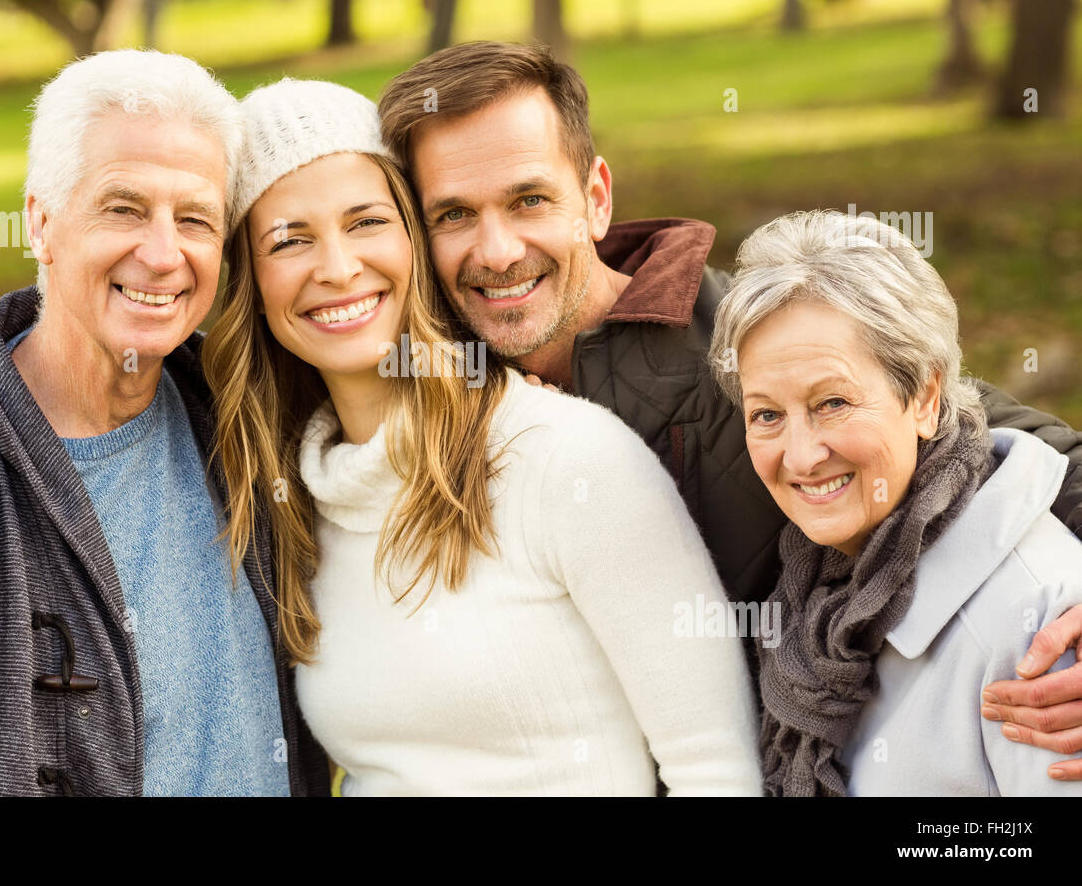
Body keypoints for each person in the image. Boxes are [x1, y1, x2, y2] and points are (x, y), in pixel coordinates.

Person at [376, 40, 1082, 776]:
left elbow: (1011, 443)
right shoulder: (422, 396)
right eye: (453, 214)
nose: (496, 250)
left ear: (594, 198)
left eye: (528, 200)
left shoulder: (741, 337)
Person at [0, 50, 328, 796]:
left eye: (195, 219)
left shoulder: (251, 429)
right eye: (124, 208)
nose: (164, 254)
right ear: (41, 224)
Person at [203, 76, 762, 796]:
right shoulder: (294, 499)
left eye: (367, 222)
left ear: (414, 241)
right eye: (289, 240)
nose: (337, 268)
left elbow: (717, 772)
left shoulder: (563, 458)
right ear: (251, 280)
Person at [706, 210, 1082, 795]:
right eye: (767, 415)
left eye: (833, 402)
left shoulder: (1041, 624)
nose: (801, 457)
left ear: (927, 397)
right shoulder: (816, 597)